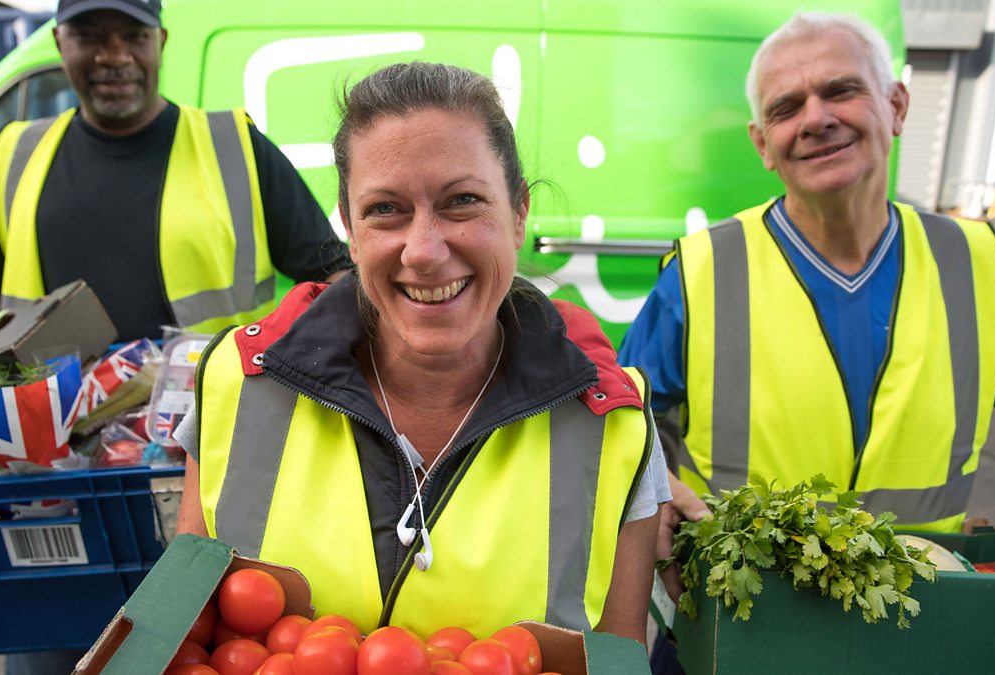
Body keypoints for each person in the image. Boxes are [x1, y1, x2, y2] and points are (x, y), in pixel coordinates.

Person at [177, 62, 670, 643]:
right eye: (385, 209)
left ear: (518, 214)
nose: (425, 251)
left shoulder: (611, 424)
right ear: (351, 233)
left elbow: (615, 657)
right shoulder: (240, 386)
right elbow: (188, 633)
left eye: (462, 201)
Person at [619, 11, 995, 600]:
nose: (816, 118)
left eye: (841, 90)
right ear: (763, 144)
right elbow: (623, 425)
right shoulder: (703, 270)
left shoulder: (978, 263)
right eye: (785, 108)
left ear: (898, 106)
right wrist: (656, 494)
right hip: (742, 612)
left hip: (922, 609)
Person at [0, 0, 350, 398]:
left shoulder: (234, 146)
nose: (114, 57)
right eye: (90, 36)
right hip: (55, 448)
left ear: (161, 41)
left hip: (209, 432)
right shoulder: (14, 155)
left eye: (133, 36)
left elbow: (332, 272)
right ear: (58, 42)